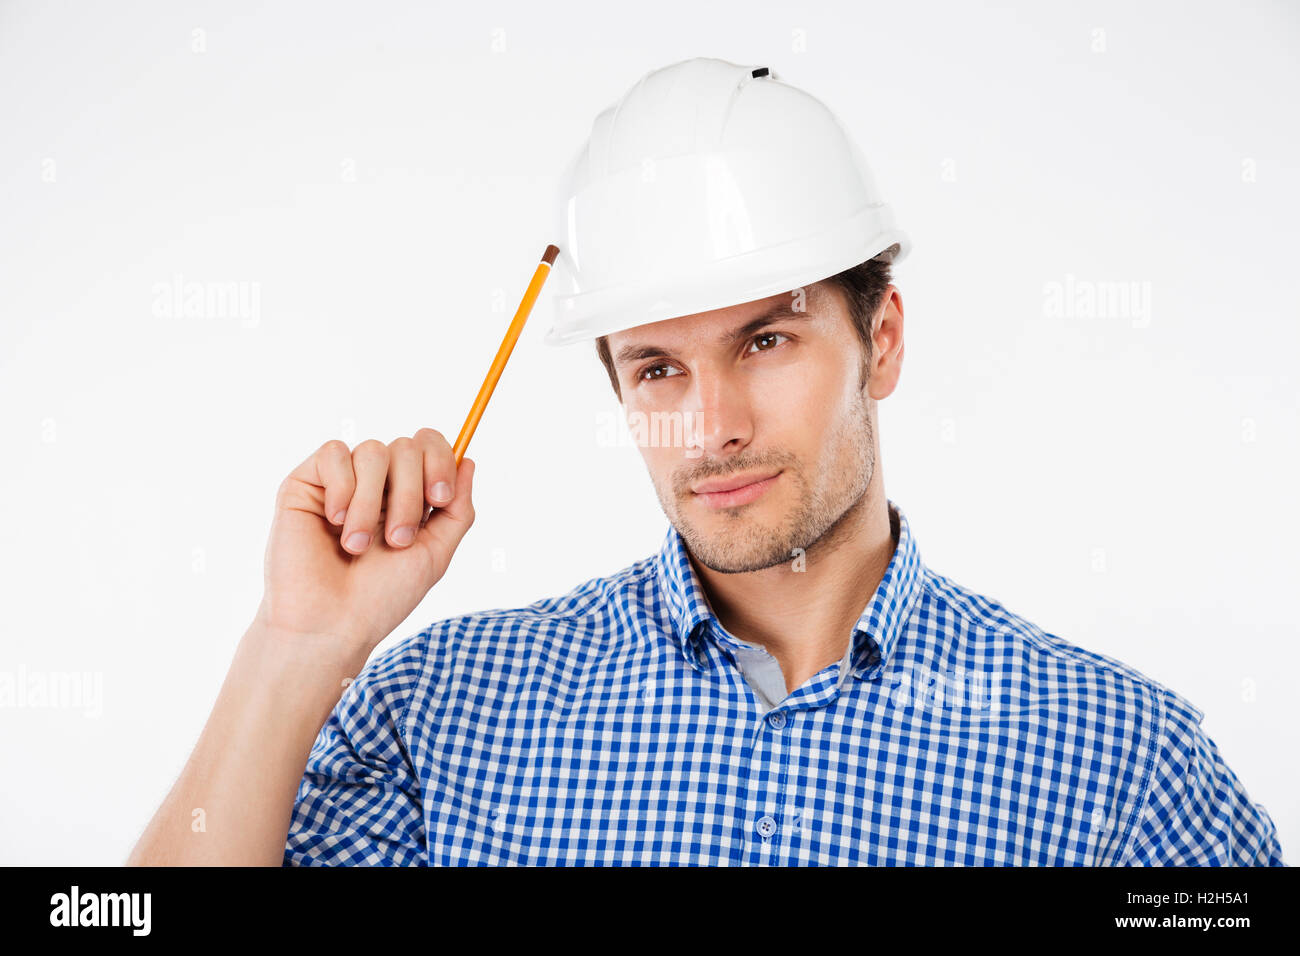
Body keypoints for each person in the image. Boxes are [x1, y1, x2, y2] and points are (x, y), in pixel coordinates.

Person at [127, 58, 1284, 867]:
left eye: (765, 340)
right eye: (658, 369)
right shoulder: (444, 710)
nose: (711, 423)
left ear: (878, 341)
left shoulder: (1120, 757)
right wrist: (294, 647)